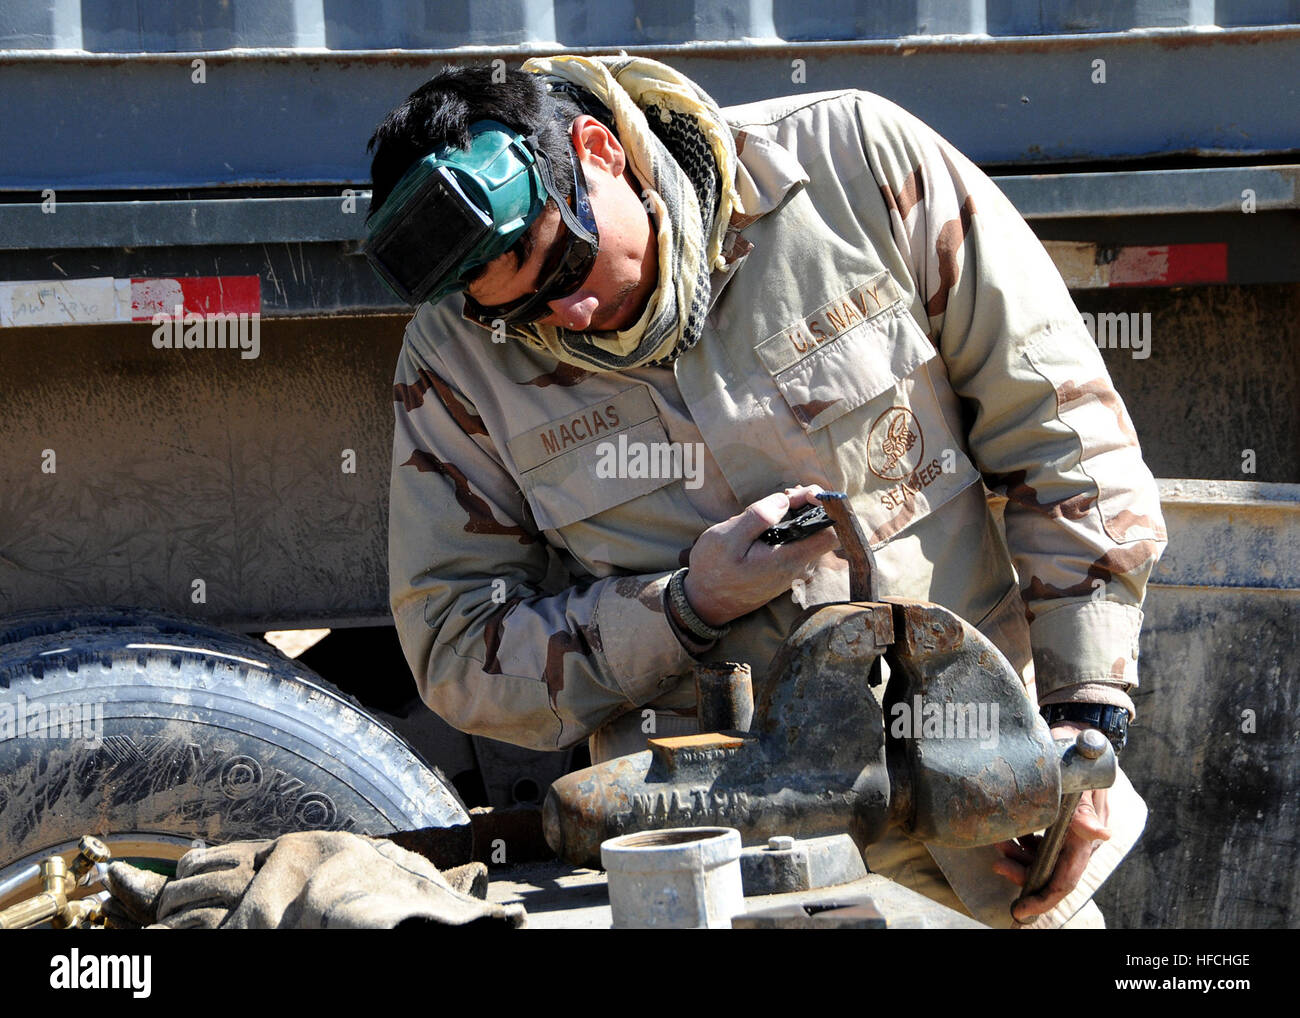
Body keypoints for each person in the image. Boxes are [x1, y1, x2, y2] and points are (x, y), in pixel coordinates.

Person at [366, 56, 1166, 927]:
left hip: (988, 817)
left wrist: (1084, 727)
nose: (574, 318)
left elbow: (1061, 433)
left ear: (597, 150)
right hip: (722, 860)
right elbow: (456, 647)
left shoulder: (852, 162)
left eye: (563, 268)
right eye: (519, 313)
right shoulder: (454, 364)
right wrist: (682, 606)